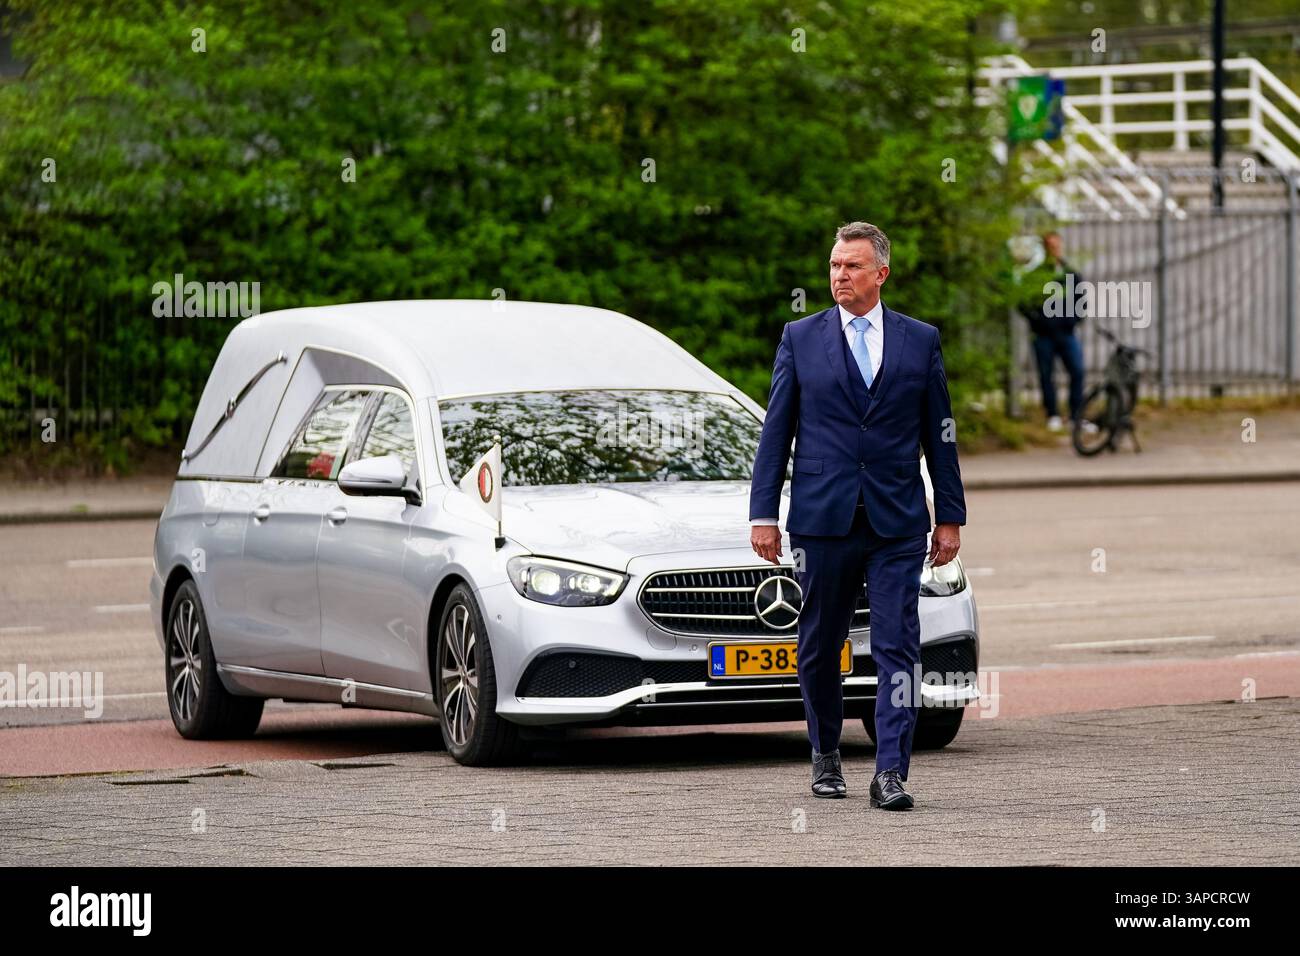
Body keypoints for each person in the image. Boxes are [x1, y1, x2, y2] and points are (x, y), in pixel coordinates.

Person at [748, 221, 967, 810]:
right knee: (820, 644)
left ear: (881, 273)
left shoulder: (920, 341)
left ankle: (892, 772)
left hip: (898, 521)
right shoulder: (800, 337)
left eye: (851, 267)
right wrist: (762, 513)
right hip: (822, 520)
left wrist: (950, 515)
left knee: (900, 647)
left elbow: (939, 435)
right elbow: (776, 433)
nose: (839, 276)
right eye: (834, 266)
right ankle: (825, 756)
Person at [1017, 231, 1088, 432]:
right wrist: (1038, 322)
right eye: (1050, 246)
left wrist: (1072, 320)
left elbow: (1081, 302)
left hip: (1066, 333)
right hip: (1043, 335)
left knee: (1078, 371)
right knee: (1046, 375)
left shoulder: (1071, 274)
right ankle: (1053, 414)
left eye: (1056, 246)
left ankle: (1076, 415)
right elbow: (1023, 303)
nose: (1054, 250)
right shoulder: (1035, 276)